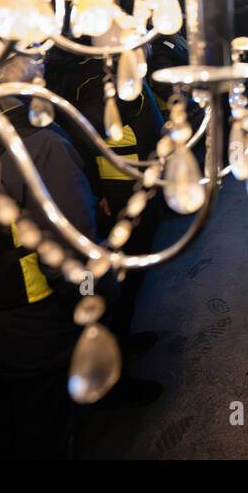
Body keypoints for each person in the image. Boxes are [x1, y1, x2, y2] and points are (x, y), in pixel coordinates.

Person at [0, 52, 101, 459]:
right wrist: (95, 302)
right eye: (28, 54)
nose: (41, 60)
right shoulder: (40, 143)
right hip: (33, 322)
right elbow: (70, 251)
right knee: (42, 431)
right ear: (2, 70)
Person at [46, 47, 165, 408]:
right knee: (119, 285)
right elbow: (102, 137)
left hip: (124, 188)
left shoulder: (98, 71)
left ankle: (122, 339)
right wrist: (117, 193)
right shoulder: (104, 78)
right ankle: (116, 378)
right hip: (123, 192)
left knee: (127, 279)